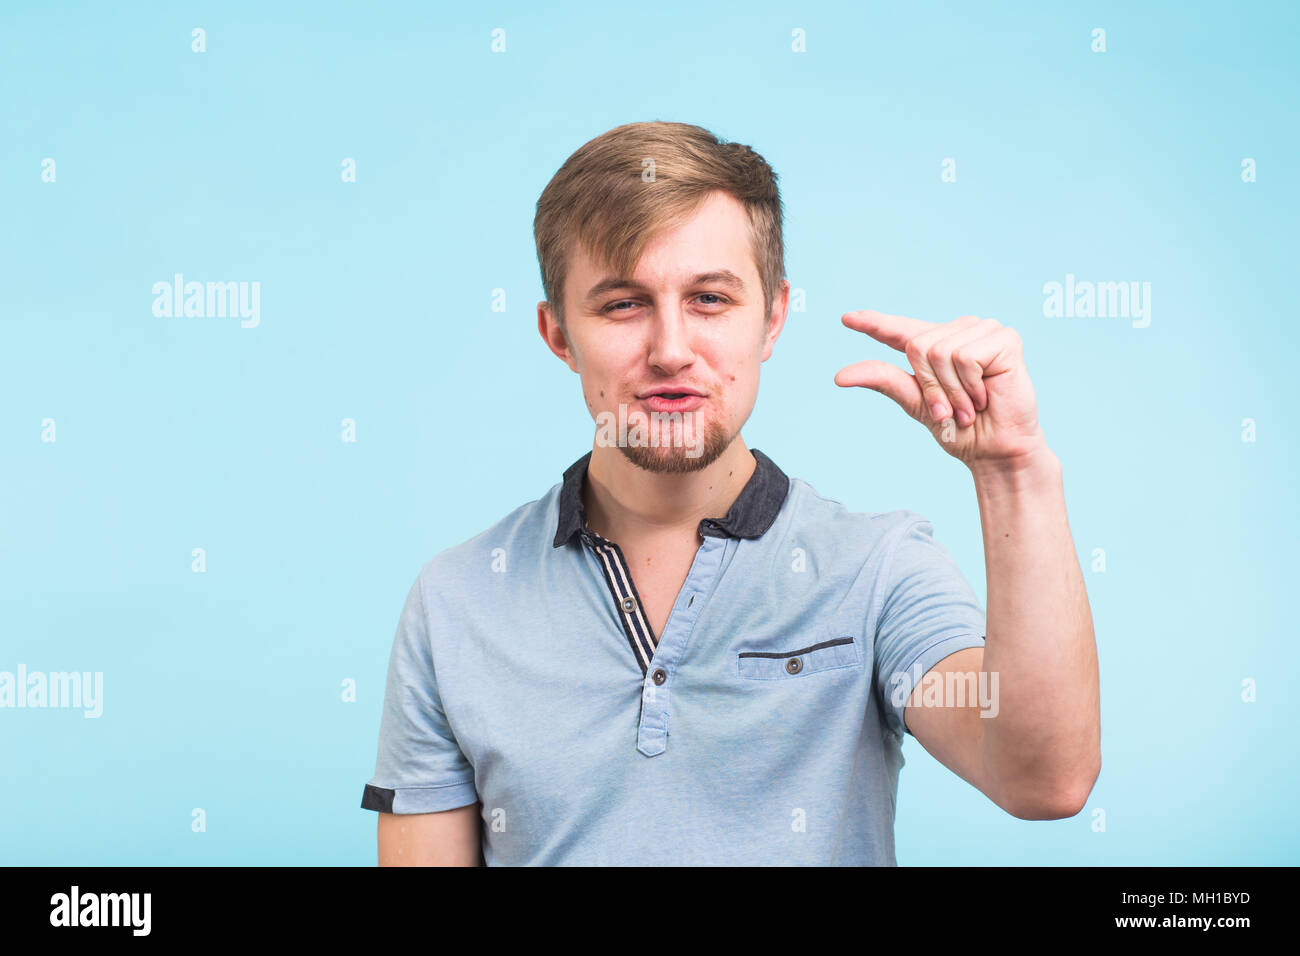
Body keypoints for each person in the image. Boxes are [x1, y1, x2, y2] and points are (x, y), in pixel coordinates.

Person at [360, 120, 1101, 865]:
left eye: (710, 298)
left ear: (773, 317)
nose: (671, 349)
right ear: (558, 335)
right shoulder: (456, 601)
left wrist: (1013, 473)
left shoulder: (877, 570)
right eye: (622, 304)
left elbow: (1044, 781)